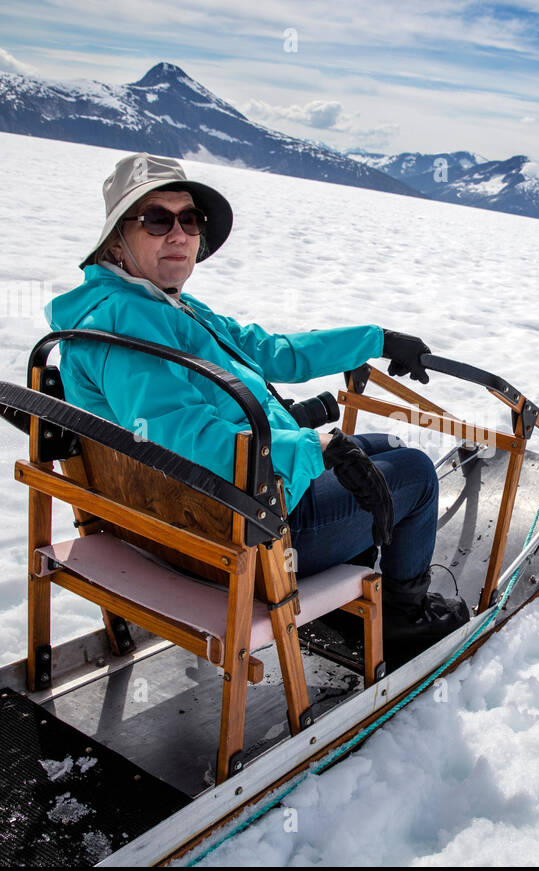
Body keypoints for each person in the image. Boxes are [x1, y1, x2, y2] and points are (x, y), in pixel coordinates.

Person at [45, 152, 469, 641]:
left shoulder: (161, 308)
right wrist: (315, 448)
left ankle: (344, 598)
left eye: (189, 219)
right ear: (118, 242)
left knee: (384, 449)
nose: (179, 233)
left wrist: (376, 340)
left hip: (202, 515)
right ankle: (404, 619)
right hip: (234, 532)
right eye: (157, 219)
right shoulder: (127, 328)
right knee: (413, 474)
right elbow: (183, 437)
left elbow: (268, 352)